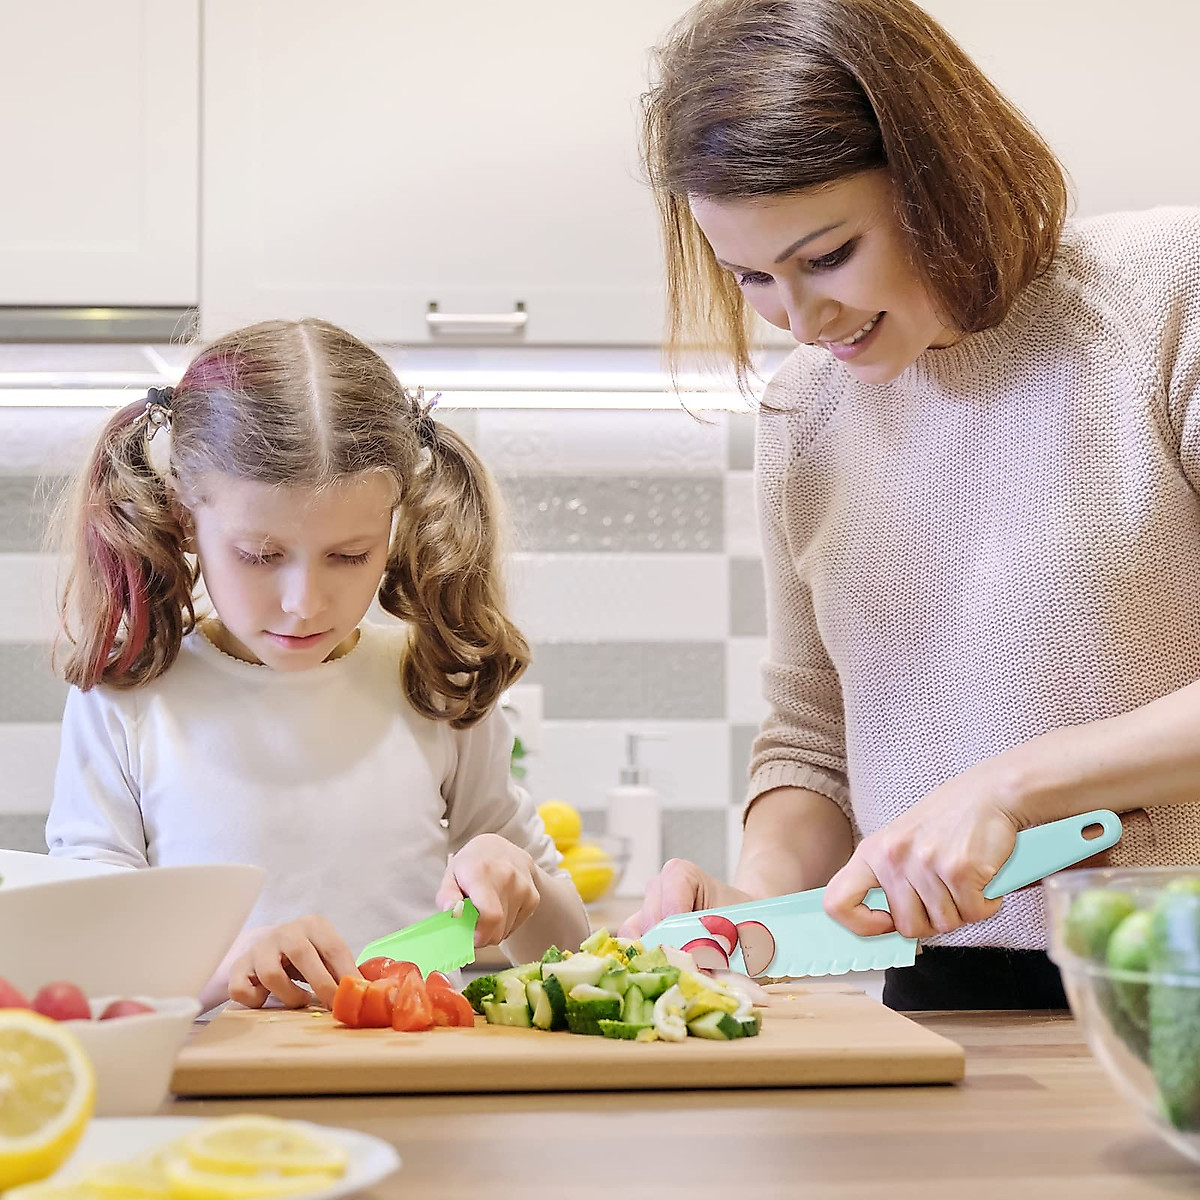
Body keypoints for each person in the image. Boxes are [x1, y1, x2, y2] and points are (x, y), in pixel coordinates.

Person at [621, 0, 1200, 1009]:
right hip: (947, 998)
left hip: (1173, 970)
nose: (803, 318)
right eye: (752, 275)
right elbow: (812, 737)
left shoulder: (1166, 297)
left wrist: (1012, 786)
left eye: (827, 256)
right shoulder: (804, 413)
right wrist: (753, 905)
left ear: (942, 178)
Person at [46, 318, 588, 1011]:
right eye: (260, 555)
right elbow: (85, 974)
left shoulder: (432, 685)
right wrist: (225, 967)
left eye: (349, 555)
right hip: (210, 1078)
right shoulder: (126, 698)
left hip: (419, 1074)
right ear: (185, 519)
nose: (304, 603)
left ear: (391, 526)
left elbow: (568, 952)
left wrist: (520, 880)